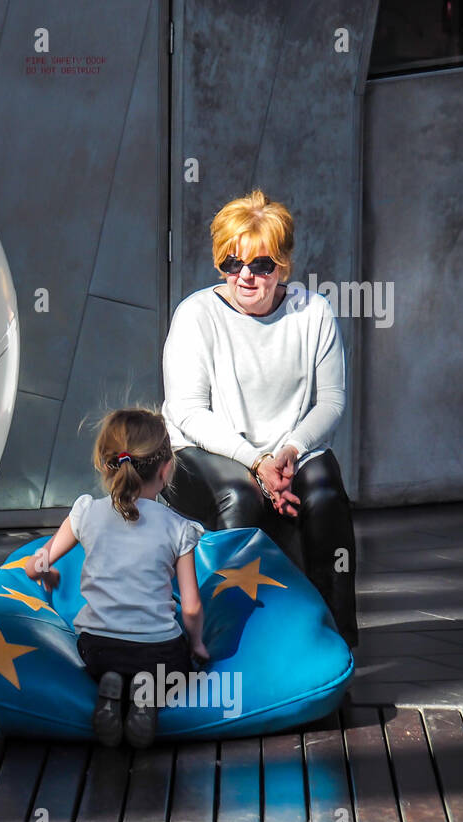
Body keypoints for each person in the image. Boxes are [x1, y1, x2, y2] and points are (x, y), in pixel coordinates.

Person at [161, 189, 359, 647]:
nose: (245, 277)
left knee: (326, 495)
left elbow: (331, 400)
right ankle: (229, 642)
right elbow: (189, 411)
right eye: (233, 264)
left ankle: (337, 645)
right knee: (240, 494)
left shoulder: (313, 312)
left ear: (283, 266)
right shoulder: (196, 315)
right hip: (209, 449)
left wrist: (287, 451)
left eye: (261, 265)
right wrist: (256, 462)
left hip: (289, 449)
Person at [24, 408, 207, 748]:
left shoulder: (86, 512)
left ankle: (110, 686)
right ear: (166, 470)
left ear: (104, 463)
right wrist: (196, 644)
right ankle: (147, 696)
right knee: (180, 674)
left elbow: (34, 564)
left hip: (100, 647)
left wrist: (46, 572)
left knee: (99, 656)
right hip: (159, 651)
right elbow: (192, 606)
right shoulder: (178, 528)